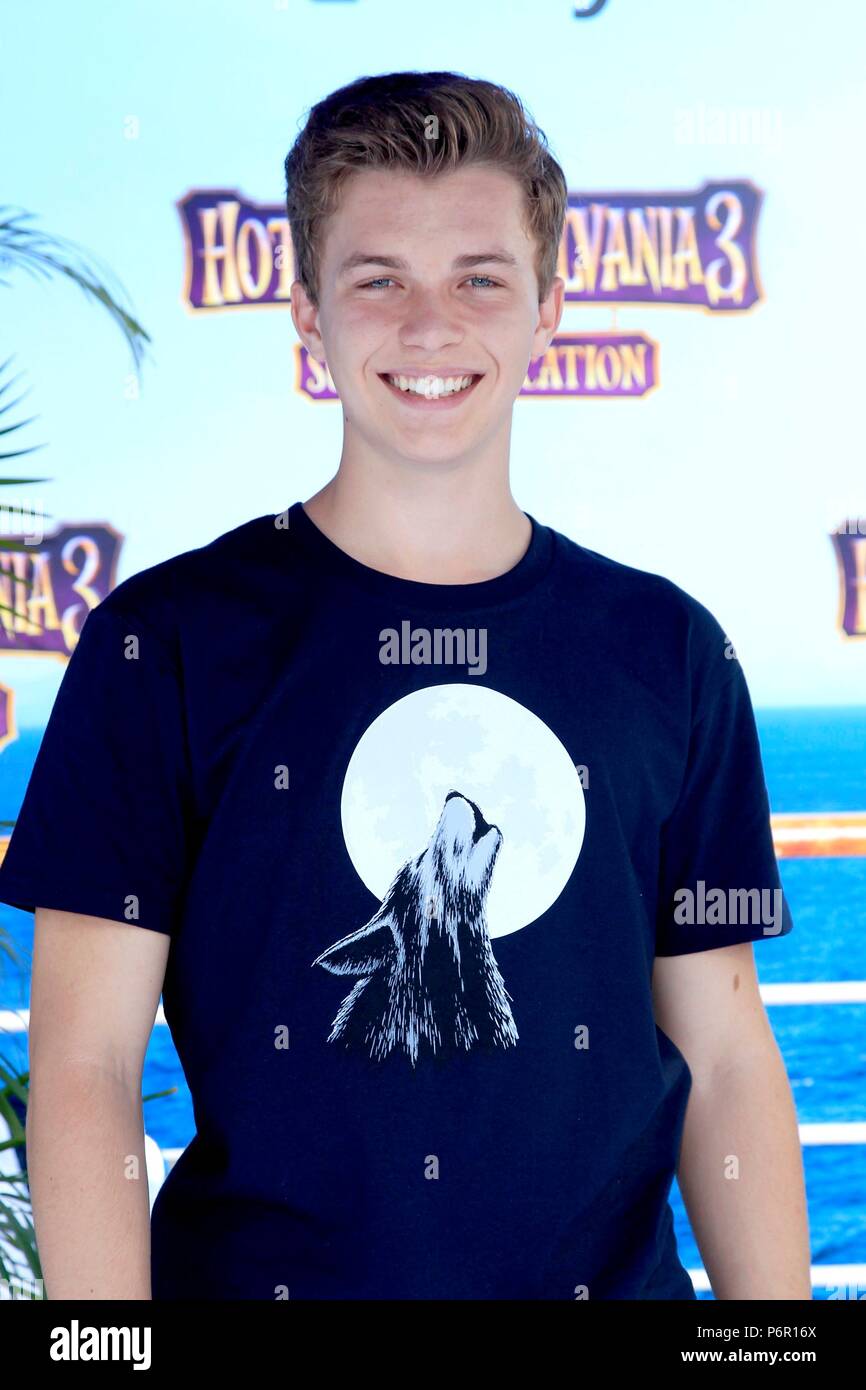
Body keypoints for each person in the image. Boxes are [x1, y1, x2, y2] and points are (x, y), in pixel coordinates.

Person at [0, 70, 811, 1301]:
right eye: (377, 279)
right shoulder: (157, 644)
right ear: (305, 314)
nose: (430, 326)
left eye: (479, 277)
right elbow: (85, 1063)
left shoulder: (668, 650)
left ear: (550, 305)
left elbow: (724, 1046)